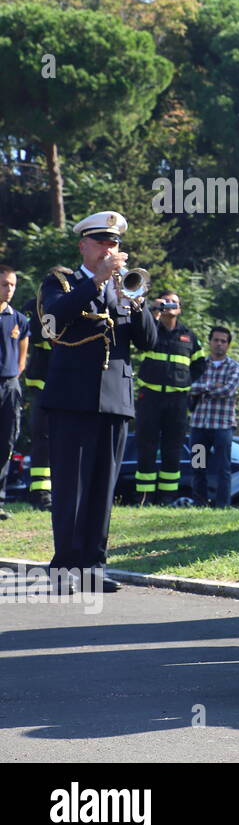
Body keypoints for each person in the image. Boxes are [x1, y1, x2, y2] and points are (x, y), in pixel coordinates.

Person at [40, 211, 157, 593]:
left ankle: (93, 566)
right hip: (71, 399)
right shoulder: (60, 281)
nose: (111, 249)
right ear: (83, 245)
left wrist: (136, 303)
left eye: (115, 243)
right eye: (103, 242)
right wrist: (96, 282)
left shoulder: (126, 286)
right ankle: (64, 568)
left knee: (102, 488)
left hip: (115, 400)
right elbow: (51, 324)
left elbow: (148, 342)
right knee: (70, 487)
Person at [134, 290, 204, 504]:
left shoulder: (189, 335)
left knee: (172, 449)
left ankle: (167, 498)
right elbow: (140, 340)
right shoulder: (151, 330)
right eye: (166, 302)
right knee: (146, 447)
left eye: (174, 302)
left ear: (180, 308)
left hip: (177, 401)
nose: (170, 305)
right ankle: (145, 497)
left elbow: (200, 364)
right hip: (150, 397)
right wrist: (152, 313)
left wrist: (184, 382)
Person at [189, 326, 239, 508]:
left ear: (228, 345)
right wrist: (213, 386)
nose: (219, 344)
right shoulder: (199, 364)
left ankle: (222, 505)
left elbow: (229, 390)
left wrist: (203, 388)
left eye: (223, 341)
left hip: (223, 426)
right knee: (198, 466)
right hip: (198, 426)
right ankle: (199, 503)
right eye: (216, 340)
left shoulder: (234, 366)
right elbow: (189, 387)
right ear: (210, 342)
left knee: (223, 468)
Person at [0, 266, 29, 520]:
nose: (8, 289)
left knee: (7, 440)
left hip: (9, 386)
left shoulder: (19, 319)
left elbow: (22, 359)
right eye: (4, 284)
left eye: (12, 285)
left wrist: (13, 380)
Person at [19, 294, 51, 510]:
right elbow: (35, 335)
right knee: (42, 440)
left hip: (71, 385)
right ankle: (40, 495)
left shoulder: (80, 302)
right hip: (41, 385)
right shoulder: (33, 306)